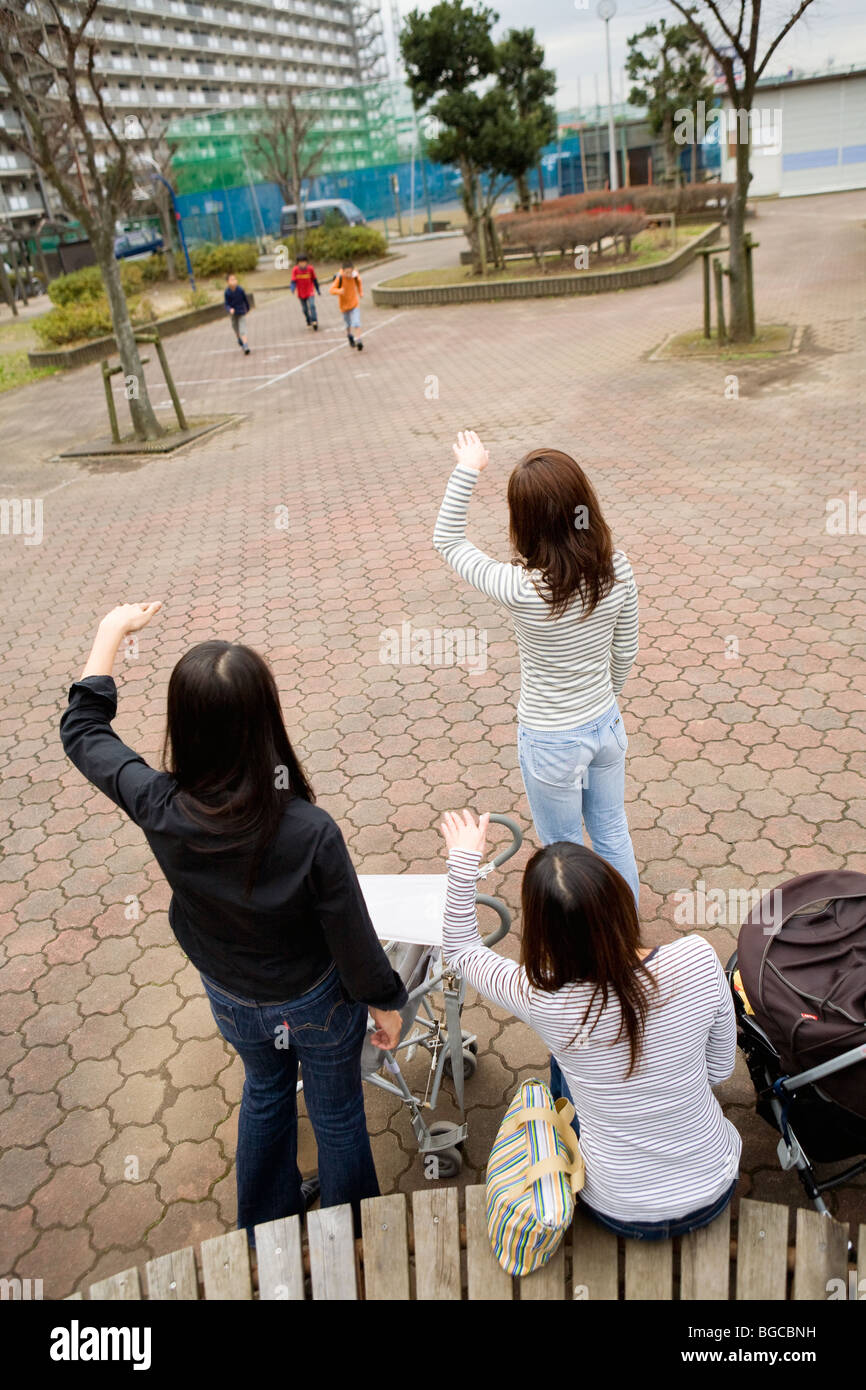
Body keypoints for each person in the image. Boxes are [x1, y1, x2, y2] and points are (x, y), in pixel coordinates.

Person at [60, 602, 405, 1239]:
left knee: (266, 1091)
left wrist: (109, 631)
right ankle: (354, 1232)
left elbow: (83, 732)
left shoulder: (157, 803)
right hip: (317, 998)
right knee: (336, 1112)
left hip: (231, 993)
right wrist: (384, 1001)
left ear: (184, 727)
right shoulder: (309, 830)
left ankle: (265, 1225)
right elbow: (351, 936)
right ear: (264, 720)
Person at [439, 808, 741, 1239]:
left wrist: (464, 860)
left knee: (562, 1064)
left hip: (617, 1207)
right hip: (715, 1186)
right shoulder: (697, 959)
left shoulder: (542, 999)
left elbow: (462, 950)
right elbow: (719, 1072)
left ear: (542, 932)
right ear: (620, 900)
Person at [434, 429, 640, 908]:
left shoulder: (522, 588)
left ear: (524, 522)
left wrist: (468, 468)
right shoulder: (618, 568)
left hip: (551, 741)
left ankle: (581, 952)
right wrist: (601, 696)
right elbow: (625, 651)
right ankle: (626, 937)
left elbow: (446, 539)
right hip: (606, 726)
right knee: (612, 833)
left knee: (563, 851)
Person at [329, 258, 363, 350]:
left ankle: (359, 340)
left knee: (356, 322)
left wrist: (360, 293)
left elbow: (359, 283)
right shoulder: (339, 278)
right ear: (343, 271)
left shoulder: (355, 276)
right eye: (346, 273)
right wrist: (339, 291)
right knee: (348, 324)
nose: (349, 275)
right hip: (344, 306)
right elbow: (331, 290)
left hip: (354, 303)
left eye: (350, 272)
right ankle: (349, 335)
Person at [290, 254, 321, 330]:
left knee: (312, 305)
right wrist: (292, 288)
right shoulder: (295, 270)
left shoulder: (310, 269)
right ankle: (308, 319)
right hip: (301, 292)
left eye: (304, 262)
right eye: (300, 262)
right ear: (297, 263)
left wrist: (318, 290)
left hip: (310, 290)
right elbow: (293, 281)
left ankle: (314, 320)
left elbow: (314, 280)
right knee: (305, 309)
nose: (302, 264)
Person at [224, 272, 251, 354]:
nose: (234, 281)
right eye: (231, 280)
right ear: (228, 282)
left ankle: (245, 345)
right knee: (236, 328)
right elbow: (226, 304)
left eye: (235, 279)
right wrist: (230, 309)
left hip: (241, 311)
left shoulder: (240, 290)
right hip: (233, 314)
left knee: (243, 328)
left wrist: (247, 308)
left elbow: (245, 300)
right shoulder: (227, 292)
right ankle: (239, 339)